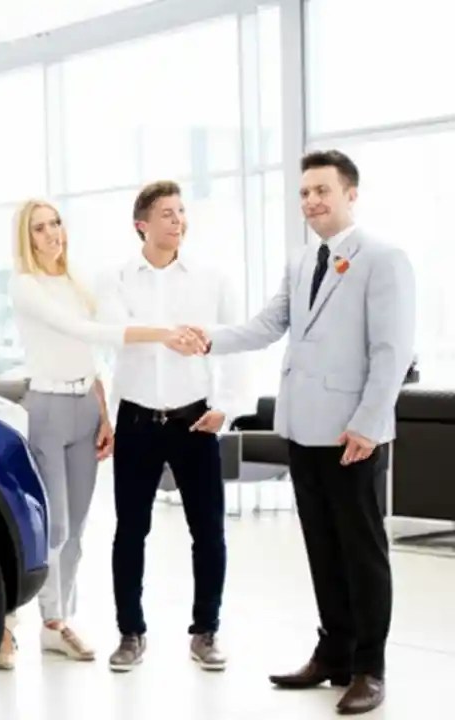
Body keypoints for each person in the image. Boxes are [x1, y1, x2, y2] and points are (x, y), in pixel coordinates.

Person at [192, 150, 415, 714]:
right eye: (304, 193)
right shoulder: (302, 261)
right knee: (323, 547)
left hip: (352, 434)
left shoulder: (383, 259)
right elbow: (270, 324)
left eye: (322, 191)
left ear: (350, 195)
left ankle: (370, 666)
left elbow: (391, 352)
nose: (311, 202)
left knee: (362, 551)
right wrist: (209, 338)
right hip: (304, 429)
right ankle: (334, 652)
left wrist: (369, 422)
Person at [0, 198, 204, 670]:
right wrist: (162, 333)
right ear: (26, 238)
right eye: (40, 228)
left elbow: (89, 357)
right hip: (46, 407)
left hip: (84, 407)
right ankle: (6, 620)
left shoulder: (75, 282)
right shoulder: (24, 285)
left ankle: (56, 622)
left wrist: (104, 413)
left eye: (55, 223)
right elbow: (87, 330)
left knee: (78, 532)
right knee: (53, 526)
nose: (52, 234)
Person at [97, 180, 247, 674]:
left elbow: (232, 344)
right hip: (138, 419)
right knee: (130, 532)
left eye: (181, 211)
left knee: (208, 531)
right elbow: (118, 335)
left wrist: (226, 405)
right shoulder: (116, 279)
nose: (177, 219)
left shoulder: (211, 278)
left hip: (196, 419)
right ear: (141, 223)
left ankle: (206, 631)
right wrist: (168, 335)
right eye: (166, 212)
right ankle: (130, 632)